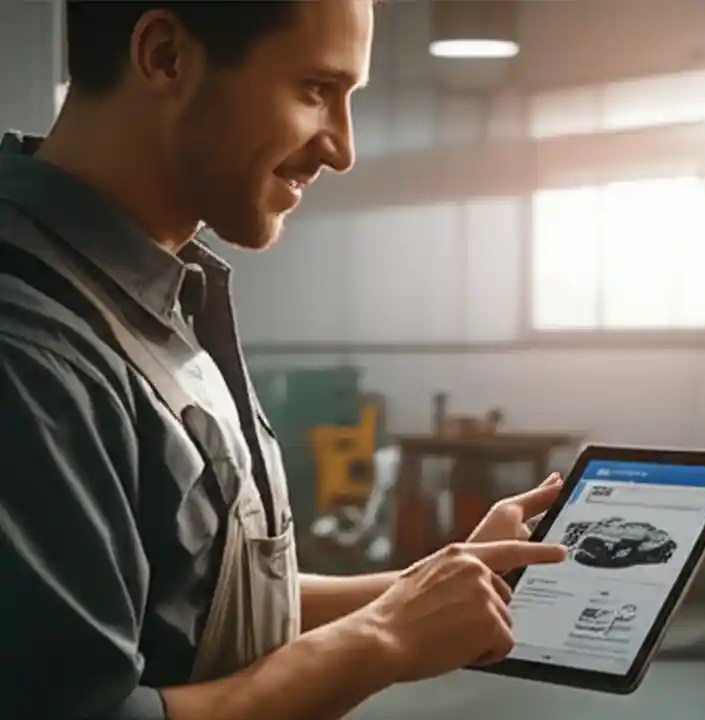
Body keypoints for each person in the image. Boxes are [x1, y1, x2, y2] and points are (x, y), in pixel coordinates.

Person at [0, 2, 567, 718]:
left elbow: (198, 601)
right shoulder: (30, 357)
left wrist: (443, 583)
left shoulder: (149, 296)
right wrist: (384, 638)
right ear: (166, 56)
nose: (342, 148)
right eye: (315, 91)